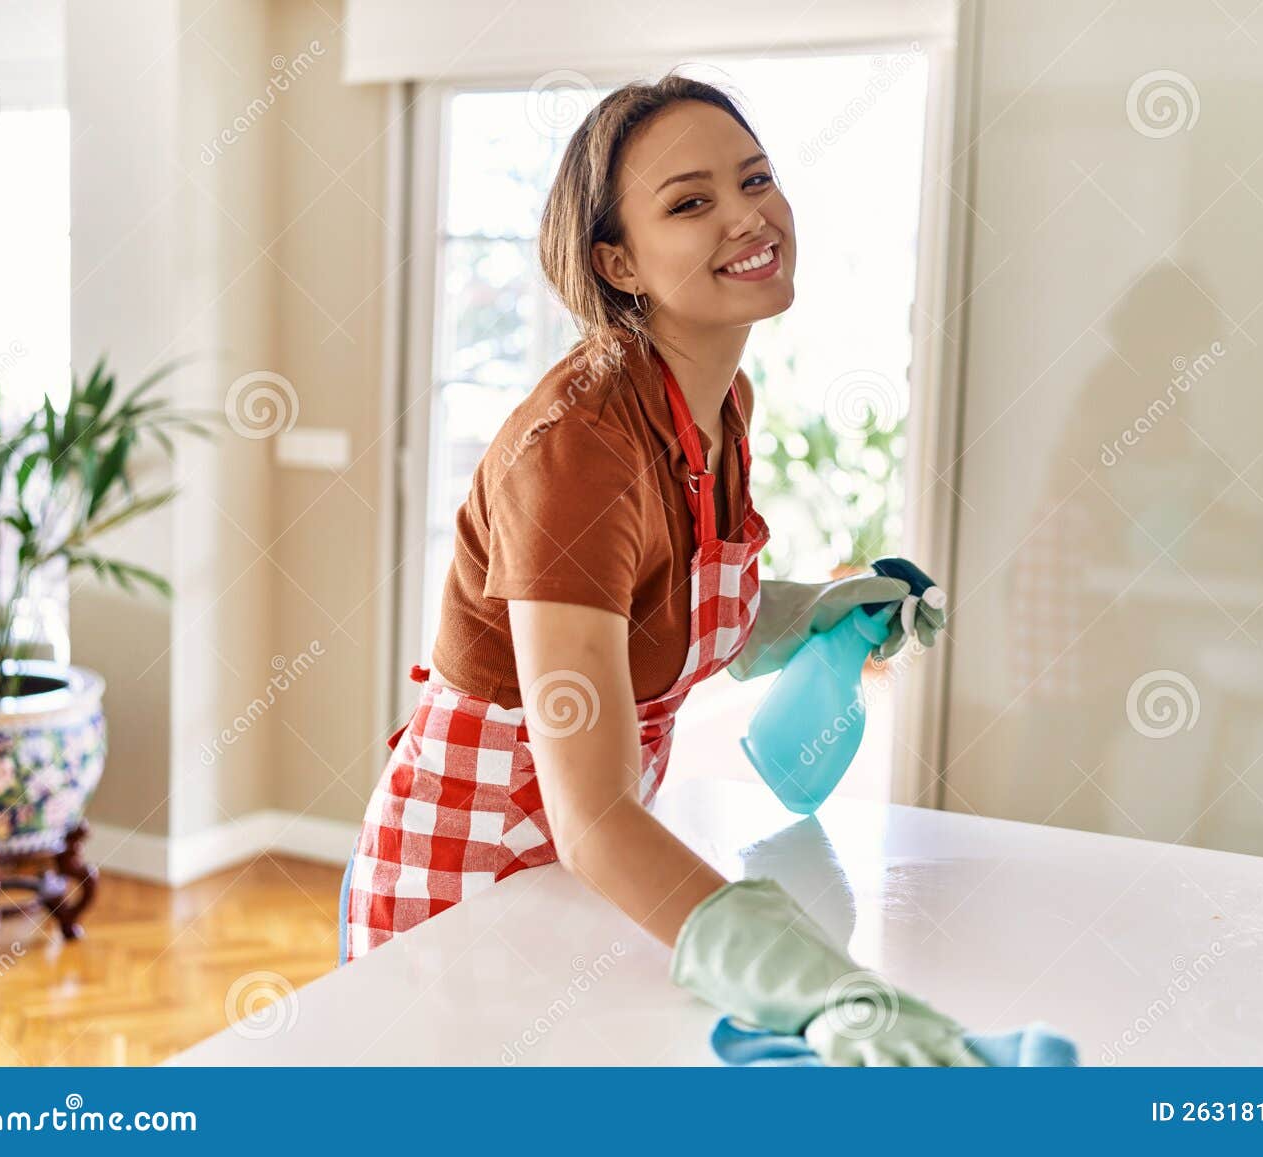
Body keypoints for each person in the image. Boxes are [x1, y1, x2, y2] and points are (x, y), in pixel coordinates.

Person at [338, 71, 970, 1066]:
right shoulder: (580, 449)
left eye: (754, 179)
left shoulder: (722, 403)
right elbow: (591, 815)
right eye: (690, 202)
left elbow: (657, 622)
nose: (746, 215)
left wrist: (816, 610)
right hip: (468, 881)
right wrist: (812, 979)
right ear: (618, 261)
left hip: (583, 869)